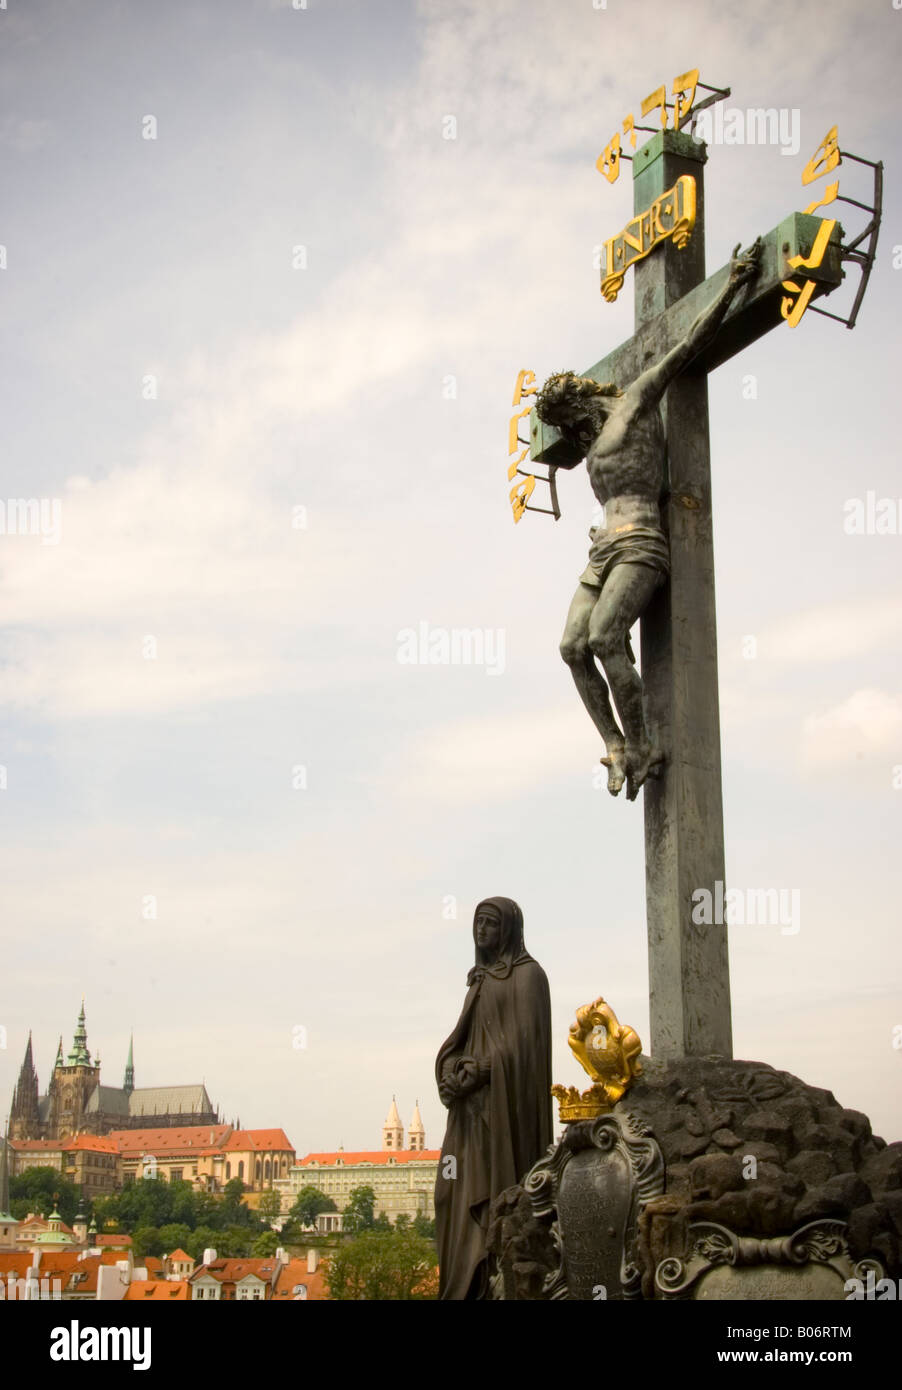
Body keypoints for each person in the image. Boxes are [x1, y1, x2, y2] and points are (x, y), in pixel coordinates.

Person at [536, 238, 762, 800]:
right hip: (601, 549)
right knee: (570, 646)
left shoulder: (635, 401)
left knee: (605, 635)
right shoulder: (588, 441)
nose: (566, 432)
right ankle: (616, 743)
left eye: (566, 419)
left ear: (581, 404)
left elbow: (687, 344)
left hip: (640, 539)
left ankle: (641, 743)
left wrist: (733, 284)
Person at [434, 896, 552, 1299]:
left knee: (493, 1205)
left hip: (503, 1114)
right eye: (477, 923)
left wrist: (484, 1070)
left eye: (490, 923)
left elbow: (528, 1049)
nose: (481, 930)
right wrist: (449, 1071)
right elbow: (460, 1038)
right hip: (468, 1114)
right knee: (451, 1195)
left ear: (510, 930)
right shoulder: (480, 979)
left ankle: (490, 1284)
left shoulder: (529, 976)